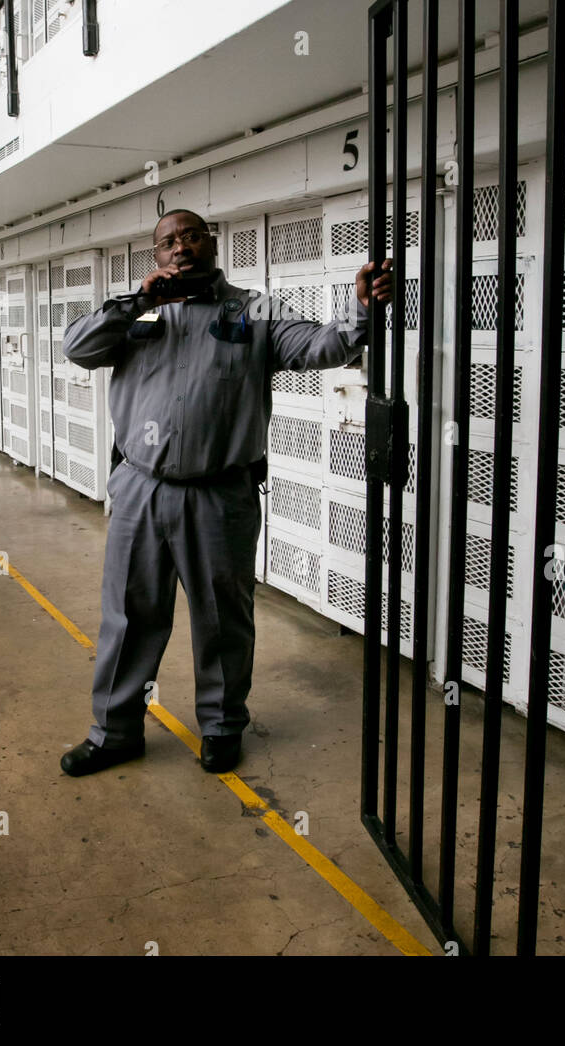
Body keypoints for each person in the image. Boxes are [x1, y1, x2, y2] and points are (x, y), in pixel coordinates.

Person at [59, 208, 392, 776]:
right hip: (141, 488)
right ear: (156, 255)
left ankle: (220, 725)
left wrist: (360, 310)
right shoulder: (137, 315)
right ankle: (115, 732)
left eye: (190, 236)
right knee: (129, 616)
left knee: (222, 619)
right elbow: (77, 348)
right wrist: (137, 302)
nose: (180, 248)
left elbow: (319, 346)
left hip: (220, 495)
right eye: (167, 241)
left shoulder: (253, 309)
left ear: (210, 244)